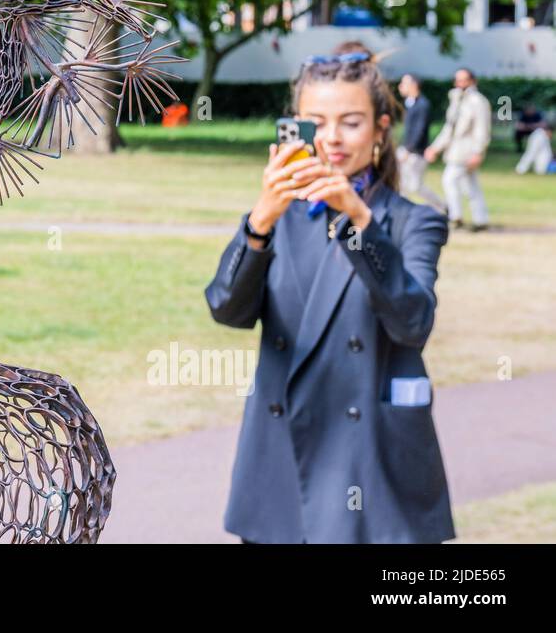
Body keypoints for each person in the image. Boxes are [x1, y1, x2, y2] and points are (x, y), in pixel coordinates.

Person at [205, 40, 454, 544]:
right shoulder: (278, 215)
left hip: (370, 456)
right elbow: (227, 310)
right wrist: (259, 221)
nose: (332, 139)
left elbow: (412, 323)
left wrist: (358, 219)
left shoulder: (412, 221)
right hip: (278, 454)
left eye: (351, 121)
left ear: (382, 129)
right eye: (315, 121)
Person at [424, 68, 491, 232]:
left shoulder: (478, 101)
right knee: (470, 185)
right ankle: (480, 219)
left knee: (450, 180)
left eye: (463, 80)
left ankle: (456, 217)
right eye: (457, 80)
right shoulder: (456, 100)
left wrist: (478, 152)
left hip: (467, 151)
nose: (459, 84)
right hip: (455, 150)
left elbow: (482, 129)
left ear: (472, 81)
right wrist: (435, 148)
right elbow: (449, 129)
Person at [395, 73, 446, 213]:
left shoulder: (422, 105)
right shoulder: (411, 103)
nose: (401, 86)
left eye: (404, 83)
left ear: (414, 85)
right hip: (406, 149)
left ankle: (442, 206)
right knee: (402, 184)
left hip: (415, 152)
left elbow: (420, 129)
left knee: (415, 186)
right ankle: (400, 210)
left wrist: (409, 149)